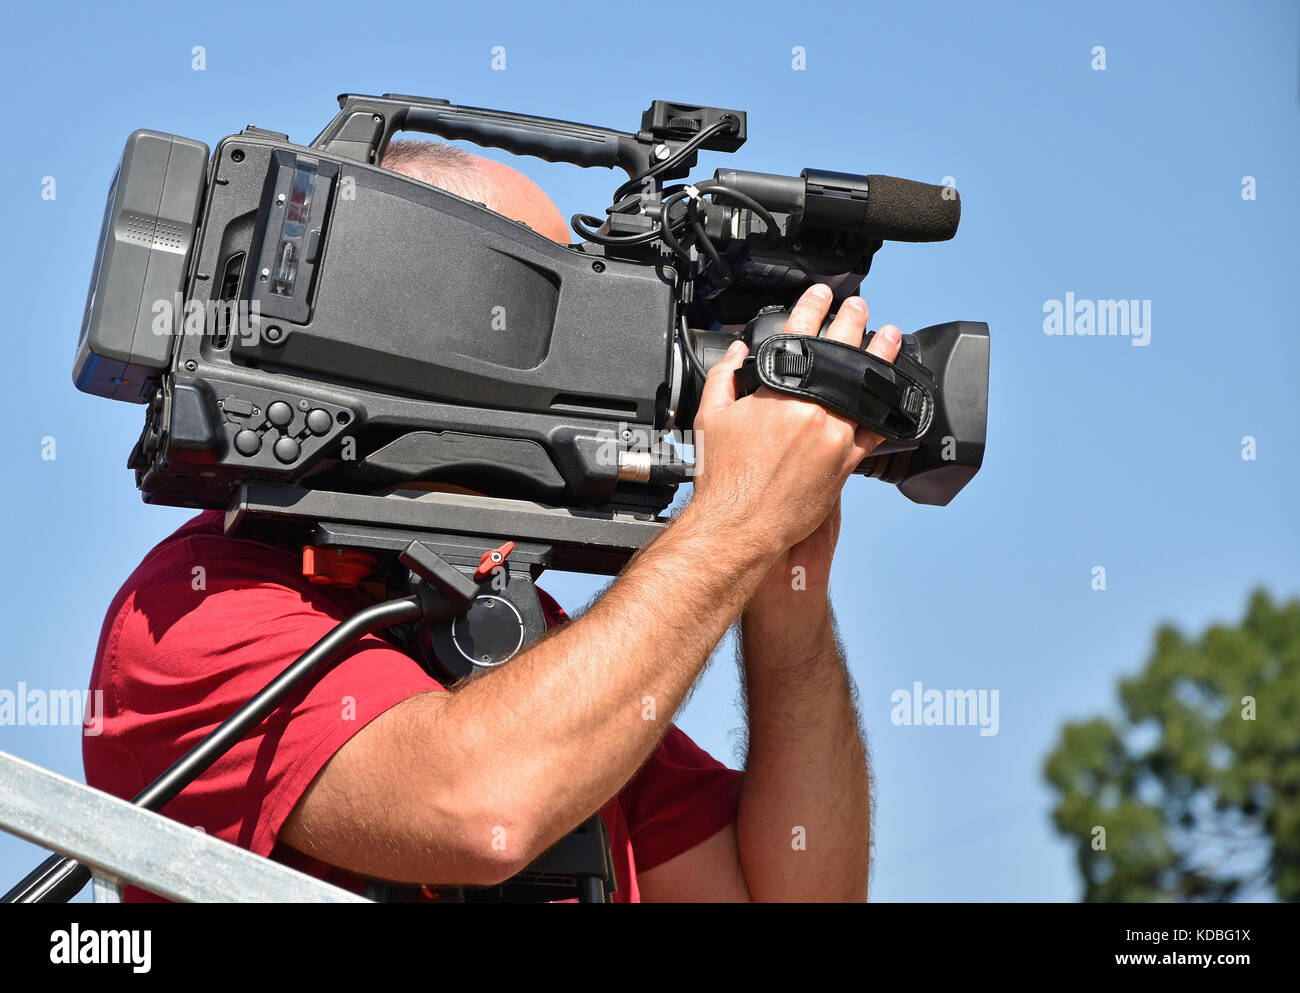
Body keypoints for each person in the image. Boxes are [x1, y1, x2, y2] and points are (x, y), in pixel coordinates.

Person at [83, 139, 903, 902]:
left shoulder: (522, 634)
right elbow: (482, 810)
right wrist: (731, 523)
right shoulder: (196, 607)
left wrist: (784, 587)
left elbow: (797, 894)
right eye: (550, 296)